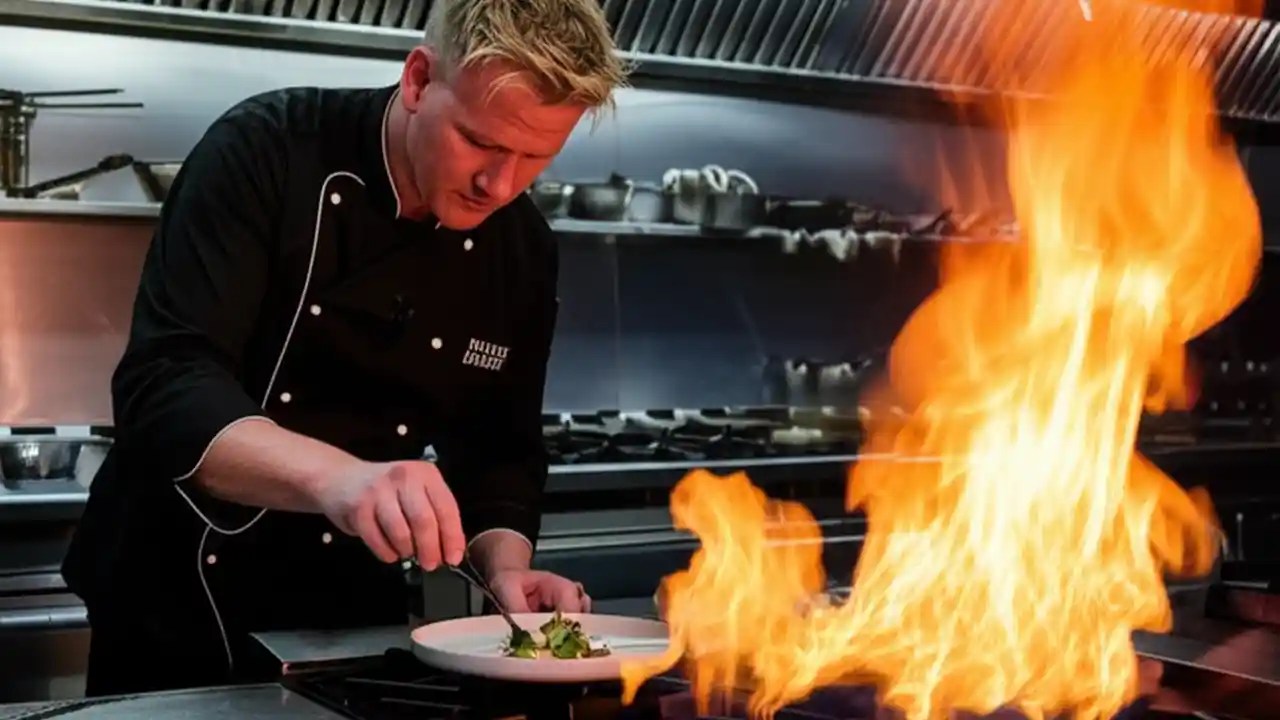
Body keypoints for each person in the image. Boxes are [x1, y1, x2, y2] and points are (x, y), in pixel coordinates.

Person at [61, 0, 630, 697]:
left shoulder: (522, 247)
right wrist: (344, 480)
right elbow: (167, 383)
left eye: (538, 156)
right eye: (481, 142)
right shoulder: (265, 151)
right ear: (419, 80)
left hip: (346, 614)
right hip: (171, 596)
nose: (501, 184)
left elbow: (499, 451)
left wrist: (505, 567)